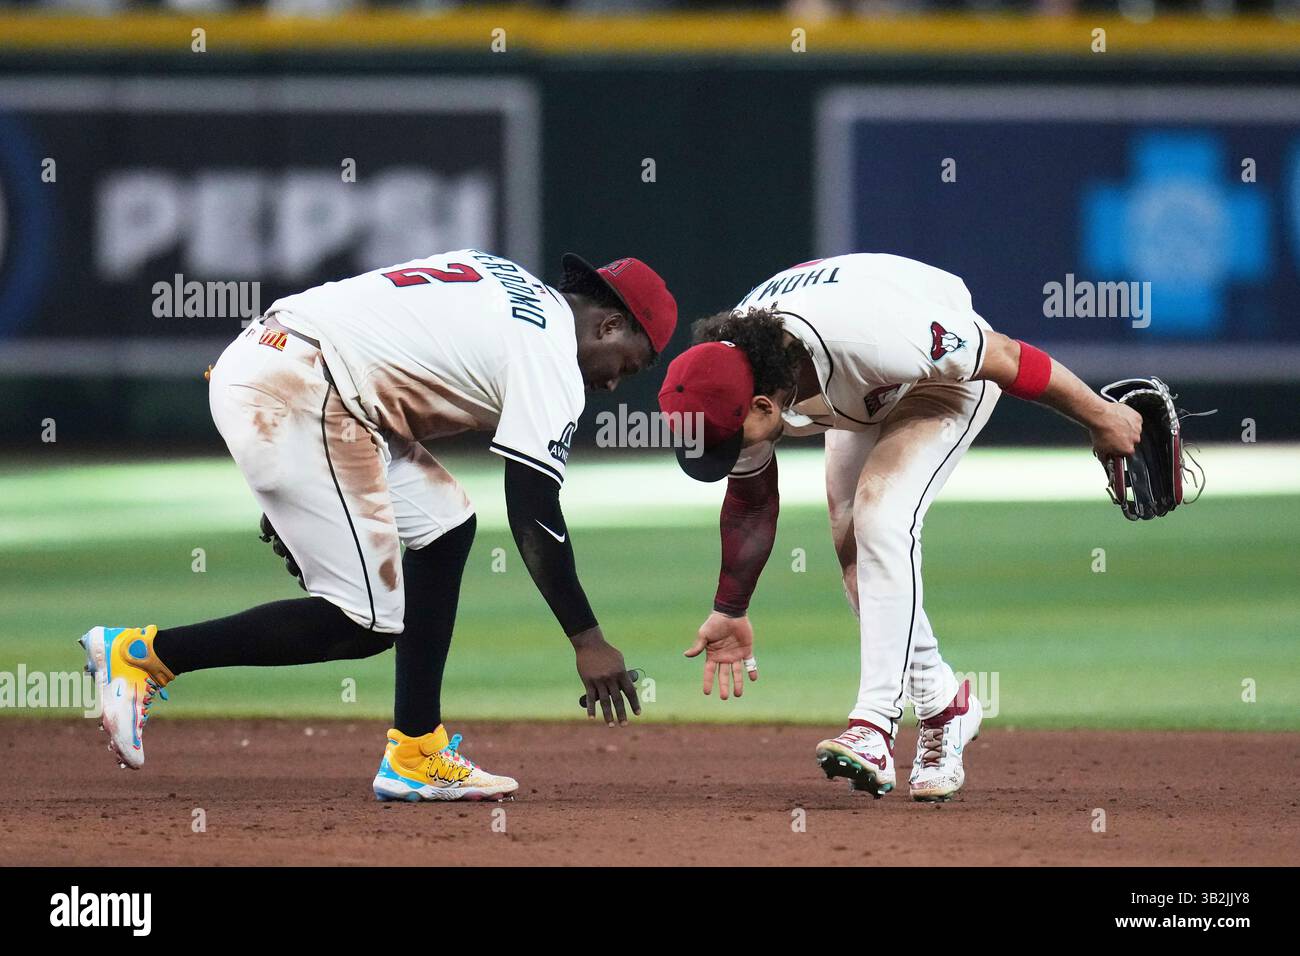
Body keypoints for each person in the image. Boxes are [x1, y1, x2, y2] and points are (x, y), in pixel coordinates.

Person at [81, 250, 676, 802]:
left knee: (446, 528)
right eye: (629, 363)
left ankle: (417, 752)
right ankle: (145, 655)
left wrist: (309, 494)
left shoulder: (496, 272)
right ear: (607, 326)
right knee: (365, 620)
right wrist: (587, 640)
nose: (614, 383)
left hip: (286, 367)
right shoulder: (552, 356)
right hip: (305, 390)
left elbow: (383, 338)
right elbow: (534, 508)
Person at [658, 253, 1140, 801]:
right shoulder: (732, 381)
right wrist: (730, 608)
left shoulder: (879, 336)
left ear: (765, 405)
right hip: (858, 392)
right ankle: (944, 705)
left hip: (935, 381)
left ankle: (874, 726)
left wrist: (1101, 416)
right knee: (853, 552)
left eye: (729, 439)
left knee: (881, 515)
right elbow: (749, 502)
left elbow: (1004, 355)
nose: (728, 450)